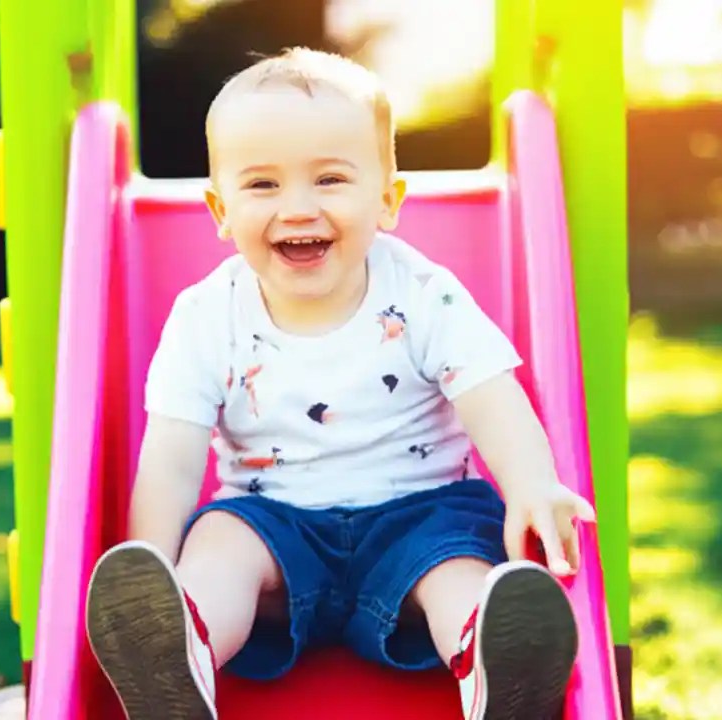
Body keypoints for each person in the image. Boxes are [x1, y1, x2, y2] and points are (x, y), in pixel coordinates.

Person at [84, 46, 595, 720]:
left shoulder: (423, 294)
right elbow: (171, 456)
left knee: (460, 573)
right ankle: (178, 647)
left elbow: (491, 395)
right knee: (220, 548)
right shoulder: (206, 316)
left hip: (419, 514)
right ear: (219, 210)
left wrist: (531, 484)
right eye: (262, 185)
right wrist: (152, 556)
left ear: (386, 199)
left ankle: (493, 663)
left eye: (328, 179)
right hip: (274, 526)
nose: (297, 208)